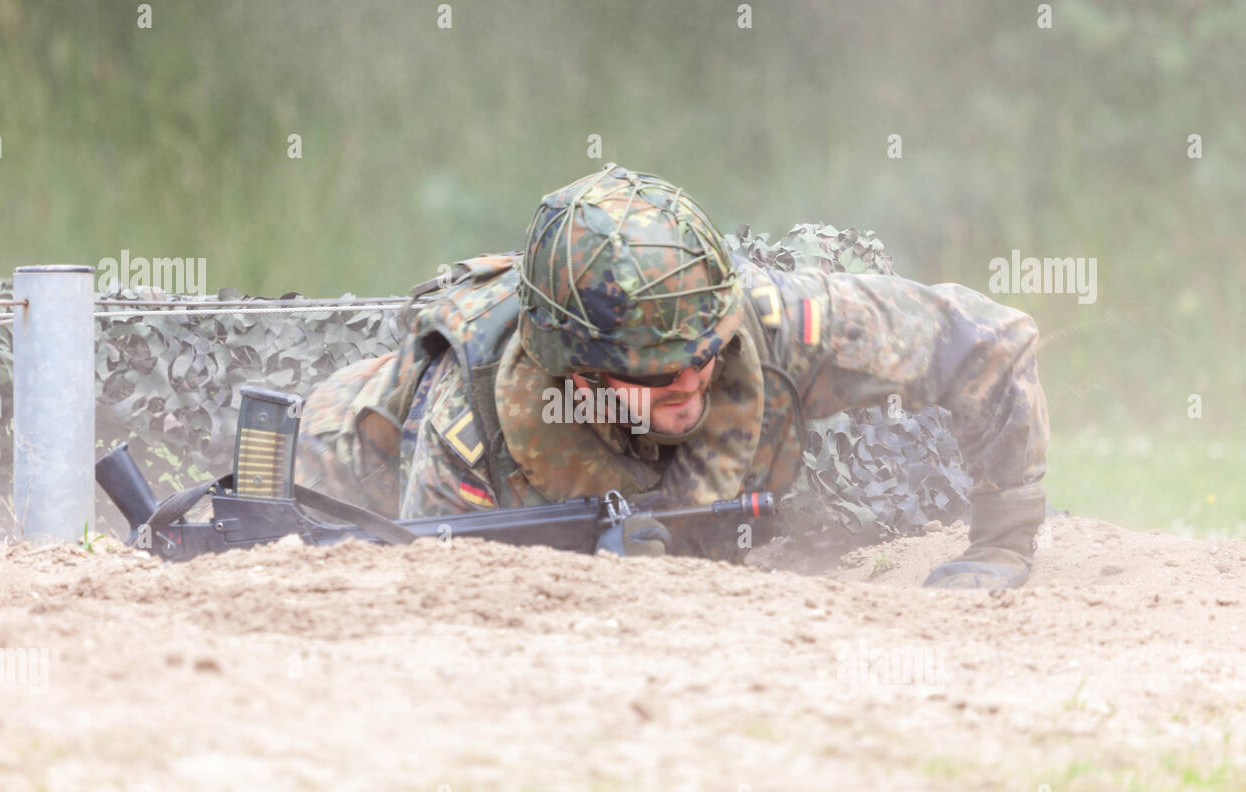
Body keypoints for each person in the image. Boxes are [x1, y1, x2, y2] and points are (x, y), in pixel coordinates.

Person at [297, 165, 1049, 588]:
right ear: (580, 378)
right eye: (657, 375)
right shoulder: (470, 432)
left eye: (705, 354)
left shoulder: (772, 324)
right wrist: (612, 584)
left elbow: (987, 342)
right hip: (341, 456)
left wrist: (1002, 547)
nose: (692, 383)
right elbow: (442, 611)